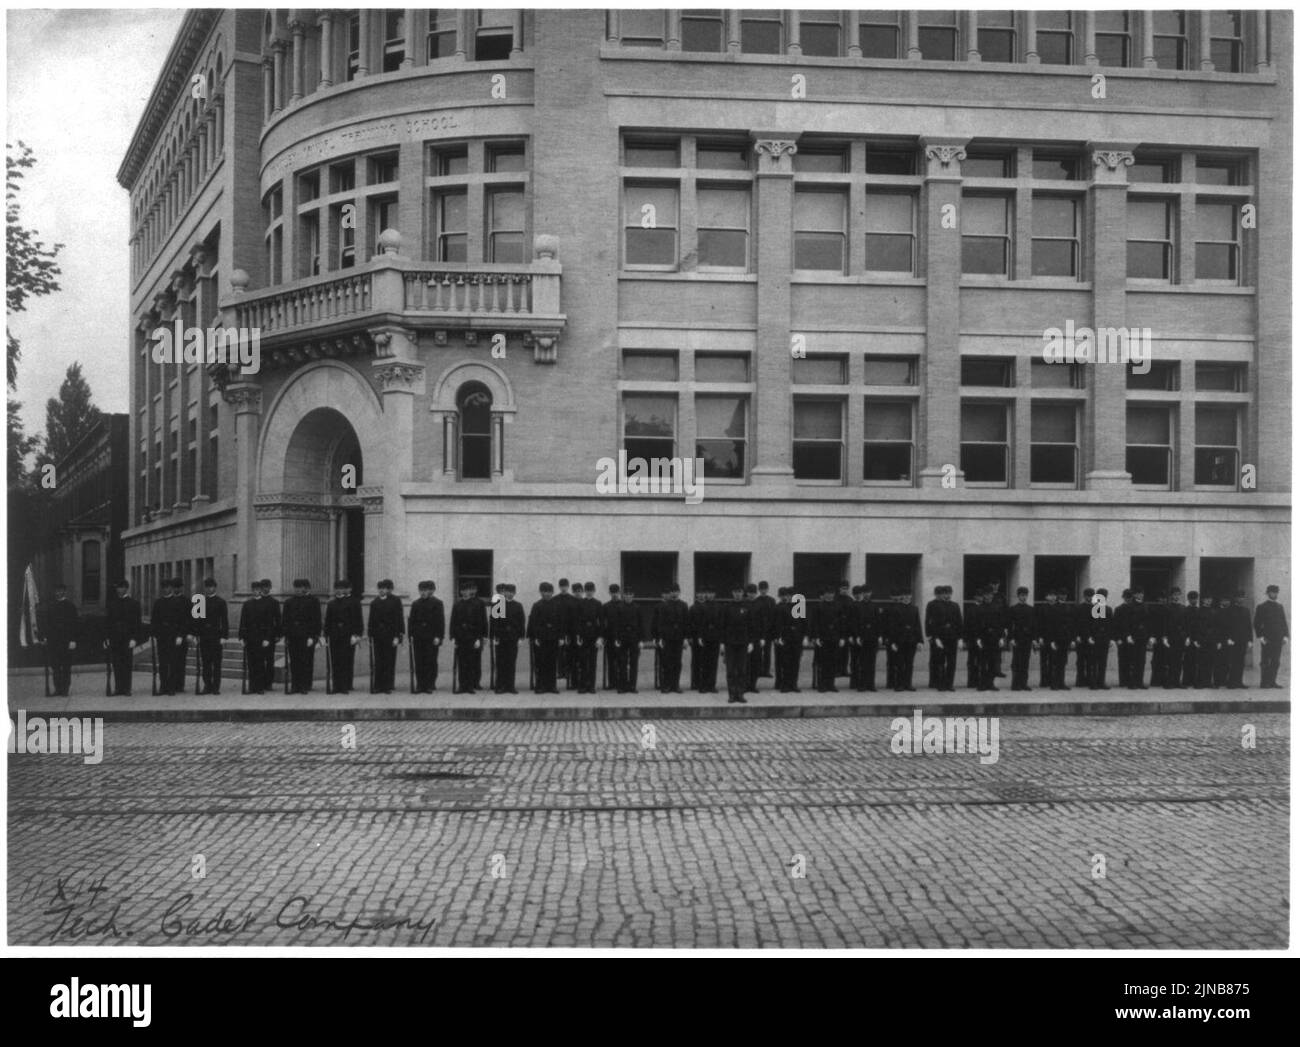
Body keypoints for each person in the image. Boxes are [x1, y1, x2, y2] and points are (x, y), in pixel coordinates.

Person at [239, 579, 280, 694]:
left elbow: (269, 624)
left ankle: (260, 687)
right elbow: (243, 622)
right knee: (251, 664)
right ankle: (252, 686)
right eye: (254, 590)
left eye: (258, 590)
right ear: (252, 591)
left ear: (260, 590)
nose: (256, 592)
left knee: (260, 663)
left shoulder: (266, 604)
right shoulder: (247, 604)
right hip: (250, 638)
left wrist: (267, 638)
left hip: (262, 639)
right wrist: (242, 637)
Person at [39, 582, 80, 696]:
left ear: (64, 592)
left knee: (66, 666)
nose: (58, 593)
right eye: (56, 591)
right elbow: (47, 624)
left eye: (60, 591)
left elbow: (75, 624)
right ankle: (58, 688)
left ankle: (65, 689)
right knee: (55, 666)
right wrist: (45, 637)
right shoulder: (51, 607)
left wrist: (73, 640)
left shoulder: (70, 606)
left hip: (66, 641)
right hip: (54, 641)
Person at [282, 578, 322, 694]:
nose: (298, 590)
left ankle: (305, 685)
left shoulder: (313, 601)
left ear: (305, 588)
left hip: (306, 636)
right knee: (294, 661)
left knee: (306, 661)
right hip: (293, 636)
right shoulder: (289, 602)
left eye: (300, 587)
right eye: (296, 587)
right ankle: (295, 685)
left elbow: (316, 620)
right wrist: (286, 636)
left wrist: (313, 636)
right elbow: (285, 620)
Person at [104, 579, 144, 696]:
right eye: (118, 588)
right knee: (116, 663)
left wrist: (134, 638)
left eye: (121, 587)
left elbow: (137, 623)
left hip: (127, 638)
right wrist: (107, 637)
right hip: (115, 638)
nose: (119, 590)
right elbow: (108, 622)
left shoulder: (134, 604)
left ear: (126, 588)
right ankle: (118, 688)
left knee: (127, 663)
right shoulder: (112, 604)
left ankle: (127, 688)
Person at [324, 580, 363, 693]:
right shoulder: (331, 604)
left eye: (341, 588)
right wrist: (326, 636)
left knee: (346, 661)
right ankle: (336, 686)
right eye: (337, 588)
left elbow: (357, 620)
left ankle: (345, 685)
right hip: (334, 635)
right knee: (335, 661)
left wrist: (356, 635)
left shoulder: (352, 603)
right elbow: (328, 621)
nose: (339, 590)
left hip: (348, 635)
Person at [721, 583, 758, 704]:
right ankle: (732, 694)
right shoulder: (727, 607)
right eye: (735, 592)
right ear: (732, 593)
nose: (738, 594)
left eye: (740, 592)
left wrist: (751, 642)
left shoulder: (748, 607)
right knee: (731, 670)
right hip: (730, 643)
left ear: (743, 593)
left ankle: (740, 694)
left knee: (742, 670)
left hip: (743, 643)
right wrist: (722, 643)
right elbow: (723, 626)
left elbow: (752, 626)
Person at [408, 580, 445, 693]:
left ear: (431, 591)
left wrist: (439, 636)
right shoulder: (415, 604)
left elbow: (440, 621)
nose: (423, 592)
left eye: (425, 590)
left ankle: (430, 684)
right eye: (421, 590)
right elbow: (411, 621)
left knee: (431, 661)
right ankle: (420, 684)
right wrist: (411, 635)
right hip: (419, 637)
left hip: (432, 637)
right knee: (419, 661)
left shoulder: (437, 603)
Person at [194, 577, 229, 695]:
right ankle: (207, 685)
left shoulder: (221, 602)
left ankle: (216, 687)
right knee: (206, 663)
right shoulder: (200, 601)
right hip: (204, 637)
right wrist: (196, 635)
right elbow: (197, 621)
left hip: (216, 636)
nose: (209, 589)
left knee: (216, 663)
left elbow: (224, 621)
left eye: (211, 586)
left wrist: (224, 636)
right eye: (207, 587)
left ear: (215, 587)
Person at [367, 579, 404, 694]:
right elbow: (371, 621)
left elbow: (399, 619)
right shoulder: (374, 603)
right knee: (378, 661)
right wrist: (370, 636)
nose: (381, 591)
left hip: (390, 636)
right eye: (380, 588)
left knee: (389, 660)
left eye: (384, 588)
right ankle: (378, 685)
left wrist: (397, 636)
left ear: (388, 589)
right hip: (378, 636)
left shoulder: (395, 601)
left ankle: (387, 685)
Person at [450, 580, 487, 693]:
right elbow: (453, 622)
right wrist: (453, 637)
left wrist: (479, 638)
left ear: (470, 591)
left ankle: (470, 685)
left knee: (471, 662)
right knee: (462, 663)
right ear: (460, 592)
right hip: (461, 637)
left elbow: (481, 622)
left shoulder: (476, 604)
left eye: (467, 590)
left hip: (472, 637)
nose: (465, 593)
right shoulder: (457, 605)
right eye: (463, 591)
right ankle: (462, 686)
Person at [651, 584, 689, 694]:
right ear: (670, 593)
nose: (674, 593)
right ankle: (666, 685)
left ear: (679, 592)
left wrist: (686, 638)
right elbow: (660, 623)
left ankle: (675, 685)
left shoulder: (683, 605)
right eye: (672, 591)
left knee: (677, 662)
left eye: (676, 591)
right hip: (667, 638)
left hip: (679, 638)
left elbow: (686, 623)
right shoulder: (664, 606)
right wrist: (660, 638)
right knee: (666, 662)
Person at [925, 585, 962, 692]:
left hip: (952, 637)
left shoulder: (955, 606)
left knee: (952, 662)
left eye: (949, 593)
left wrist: (960, 638)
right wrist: (934, 637)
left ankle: (949, 684)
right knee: (939, 661)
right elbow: (932, 623)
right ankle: (940, 683)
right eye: (945, 593)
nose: (947, 595)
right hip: (940, 637)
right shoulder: (935, 605)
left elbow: (959, 622)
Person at [528, 581, 563, 694]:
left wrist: (561, 637)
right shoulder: (537, 605)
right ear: (540, 592)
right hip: (541, 638)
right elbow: (533, 622)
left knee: (552, 663)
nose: (547, 594)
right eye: (544, 591)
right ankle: (540, 686)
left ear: (552, 592)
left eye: (549, 591)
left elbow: (561, 622)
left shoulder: (557, 605)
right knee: (540, 663)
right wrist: (535, 637)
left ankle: (552, 686)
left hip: (553, 638)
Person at [490, 583, 525, 694]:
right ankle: (500, 686)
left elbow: (521, 622)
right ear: (504, 592)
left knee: (511, 662)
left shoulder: (518, 605)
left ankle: (510, 686)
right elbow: (493, 622)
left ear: (514, 593)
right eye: (507, 591)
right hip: (501, 637)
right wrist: (494, 636)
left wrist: (521, 637)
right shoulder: (498, 604)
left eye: (511, 592)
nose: (509, 594)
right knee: (500, 663)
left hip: (513, 638)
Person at [810, 585, 844, 693]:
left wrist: (842, 637)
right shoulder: (818, 607)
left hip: (834, 637)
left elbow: (842, 623)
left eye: (831, 593)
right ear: (824, 595)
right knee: (822, 662)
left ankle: (831, 684)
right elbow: (814, 623)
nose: (829, 595)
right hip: (822, 638)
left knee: (833, 662)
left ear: (834, 594)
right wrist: (816, 637)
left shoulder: (838, 606)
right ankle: (822, 684)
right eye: (827, 593)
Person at [1254, 585, 1289, 688]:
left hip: (1278, 639)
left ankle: (1272, 682)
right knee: (1265, 661)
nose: (1274, 594)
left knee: (1275, 661)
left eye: (1276, 592)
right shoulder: (1262, 606)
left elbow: (1283, 623)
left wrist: (1286, 636)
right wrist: (1260, 637)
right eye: (1272, 592)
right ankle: (1264, 683)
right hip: (1267, 639)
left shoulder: (1279, 607)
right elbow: (1256, 623)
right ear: (1268, 593)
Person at [773, 587, 806, 693]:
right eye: (788, 595)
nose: (790, 597)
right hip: (786, 638)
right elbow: (778, 624)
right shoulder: (782, 608)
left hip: (797, 638)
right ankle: (785, 685)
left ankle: (794, 684)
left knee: (795, 662)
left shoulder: (800, 607)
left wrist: (805, 637)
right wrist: (778, 637)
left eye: (792, 595)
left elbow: (804, 623)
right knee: (785, 662)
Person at [889, 588, 923, 692]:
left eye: (909, 595)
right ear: (902, 596)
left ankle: (908, 684)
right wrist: (893, 642)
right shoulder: (896, 608)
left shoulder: (914, 608)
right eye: (905, 595)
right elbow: (892, 626)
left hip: (911, 640)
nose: (907, 597)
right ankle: (899, 684)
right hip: (900, 640)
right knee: (900, 663)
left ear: (911, 596)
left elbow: (918, 625)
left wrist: (920, 641)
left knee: (909, 663)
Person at [573, 582, 604, 694]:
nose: (589, 592)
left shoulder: (598, 604)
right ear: (584, 591)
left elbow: (601, 622)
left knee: (592, 662)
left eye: (591, 589)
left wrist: (600, 637)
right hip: (583, 635)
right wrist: (578, 636)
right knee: (582, 662)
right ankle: (582, 685)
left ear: (594, 590)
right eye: (587, 590)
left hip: (594, 635)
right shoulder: (580, 603)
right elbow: (577, 621)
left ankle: (591, 686)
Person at [1223, 590, 1253, 689]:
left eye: (1242, 597)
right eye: (1239, 597)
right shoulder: (1229, 610)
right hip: (1232, 640)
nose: (1241, 599)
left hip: (1243, 640)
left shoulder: (1246, 610)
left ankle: (1239, 682)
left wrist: (1250, 640)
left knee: (1240, 662)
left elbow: (1249, 626)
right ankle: (1231, 682)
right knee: (1232, 661)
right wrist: (1228, 638)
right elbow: (1225, 626)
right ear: (1235, 598)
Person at [1007, 587, 1034, 691]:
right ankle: (1015, 684)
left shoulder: (1031, 609)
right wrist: (1011, 638)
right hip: (1017, 638)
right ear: (1018, 596)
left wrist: (1033, 639)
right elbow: (1010, 625)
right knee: (1016, 662)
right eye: (1022, 595)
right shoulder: (1013, 609)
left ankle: (1024, 683)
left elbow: (1033, 625)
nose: (1024, 597)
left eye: (1025, 595)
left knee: (1025, 662)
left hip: (1027, 639)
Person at [697, 585, 723, 693]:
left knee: (713, 662)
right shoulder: (702, 606)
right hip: (705, 637)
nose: (710, 595)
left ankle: (712, 685)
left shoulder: (719, 607)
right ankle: (703, 685)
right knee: (704, 662)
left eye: (712, 593)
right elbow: (699, 623)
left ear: (715, 594)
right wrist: (699, 636)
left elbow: (722, 623)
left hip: (715, 637)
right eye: (708, 593)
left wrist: (721, 639)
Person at [1160, 588, 1188, 690]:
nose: (1176, 597)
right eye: (1174, 595)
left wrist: (1186, 637)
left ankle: (1177, 681)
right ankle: (1168, 682)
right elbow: (1164, 623)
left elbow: (1186, 624)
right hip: (1170, 637)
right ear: (1171, 596)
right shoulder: (1166, 608)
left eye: (1178, 594)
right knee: (1169, 660)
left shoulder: (1183, 608)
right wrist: (1164, 637)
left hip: (1180, 638)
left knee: (1179, 661)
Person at [754, 581, 776, 679]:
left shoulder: (771, 601)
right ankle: (758, 670)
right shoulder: (756, 601)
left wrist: (772, 629)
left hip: (769, 630)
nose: (763, 591)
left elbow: (773, 616)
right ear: (759, 590)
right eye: (761, 589)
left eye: (765, 589)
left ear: (767, 589)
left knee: (767, 651)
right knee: (758, 652)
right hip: (758, 630)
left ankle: (766, 671)